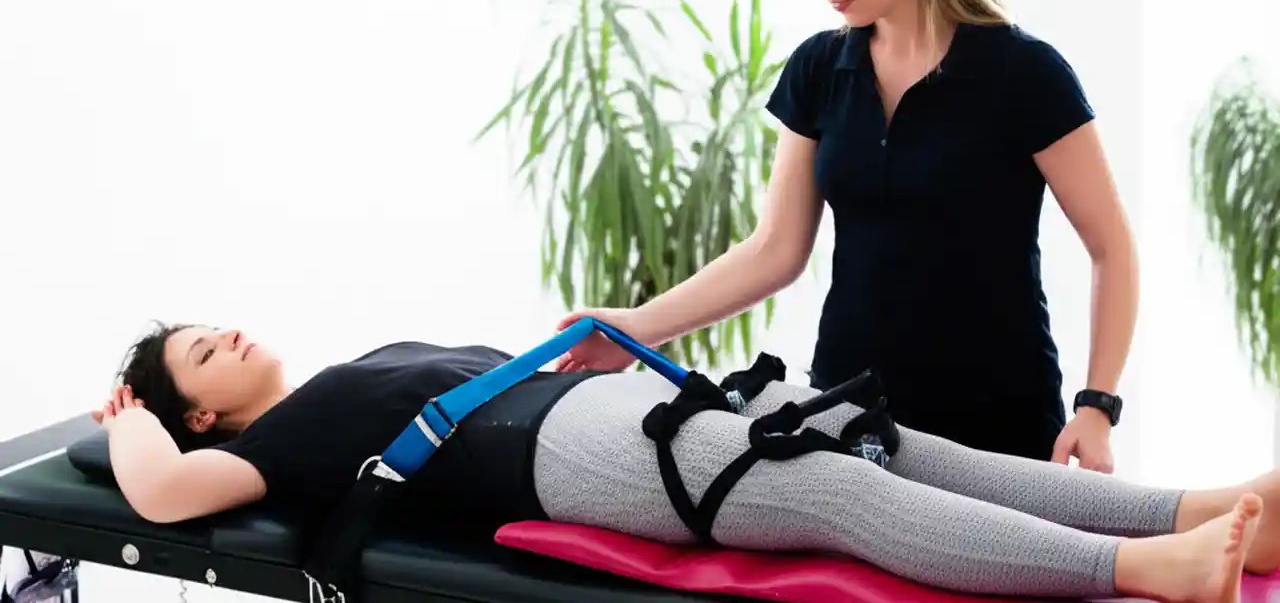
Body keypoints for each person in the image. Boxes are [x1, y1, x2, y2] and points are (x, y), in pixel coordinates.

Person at [555, 0, 1137, 472]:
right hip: (845, 419)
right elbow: (773, 249)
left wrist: (1096, 407)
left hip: (997, 429)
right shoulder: (819, 70)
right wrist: (635, 328)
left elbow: (1111, 248)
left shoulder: (1027, 74)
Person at [92, 321, 1278, 603]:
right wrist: (124, 416)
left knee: (894, 443)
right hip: (571, 465)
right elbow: (162, 496)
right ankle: (1144, 569)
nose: (230, 333)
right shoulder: (285, 440)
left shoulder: (355, 361)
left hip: (608, 406)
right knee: (837, 490)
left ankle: (1205, 506)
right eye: (202, 351)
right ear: (197, 413)